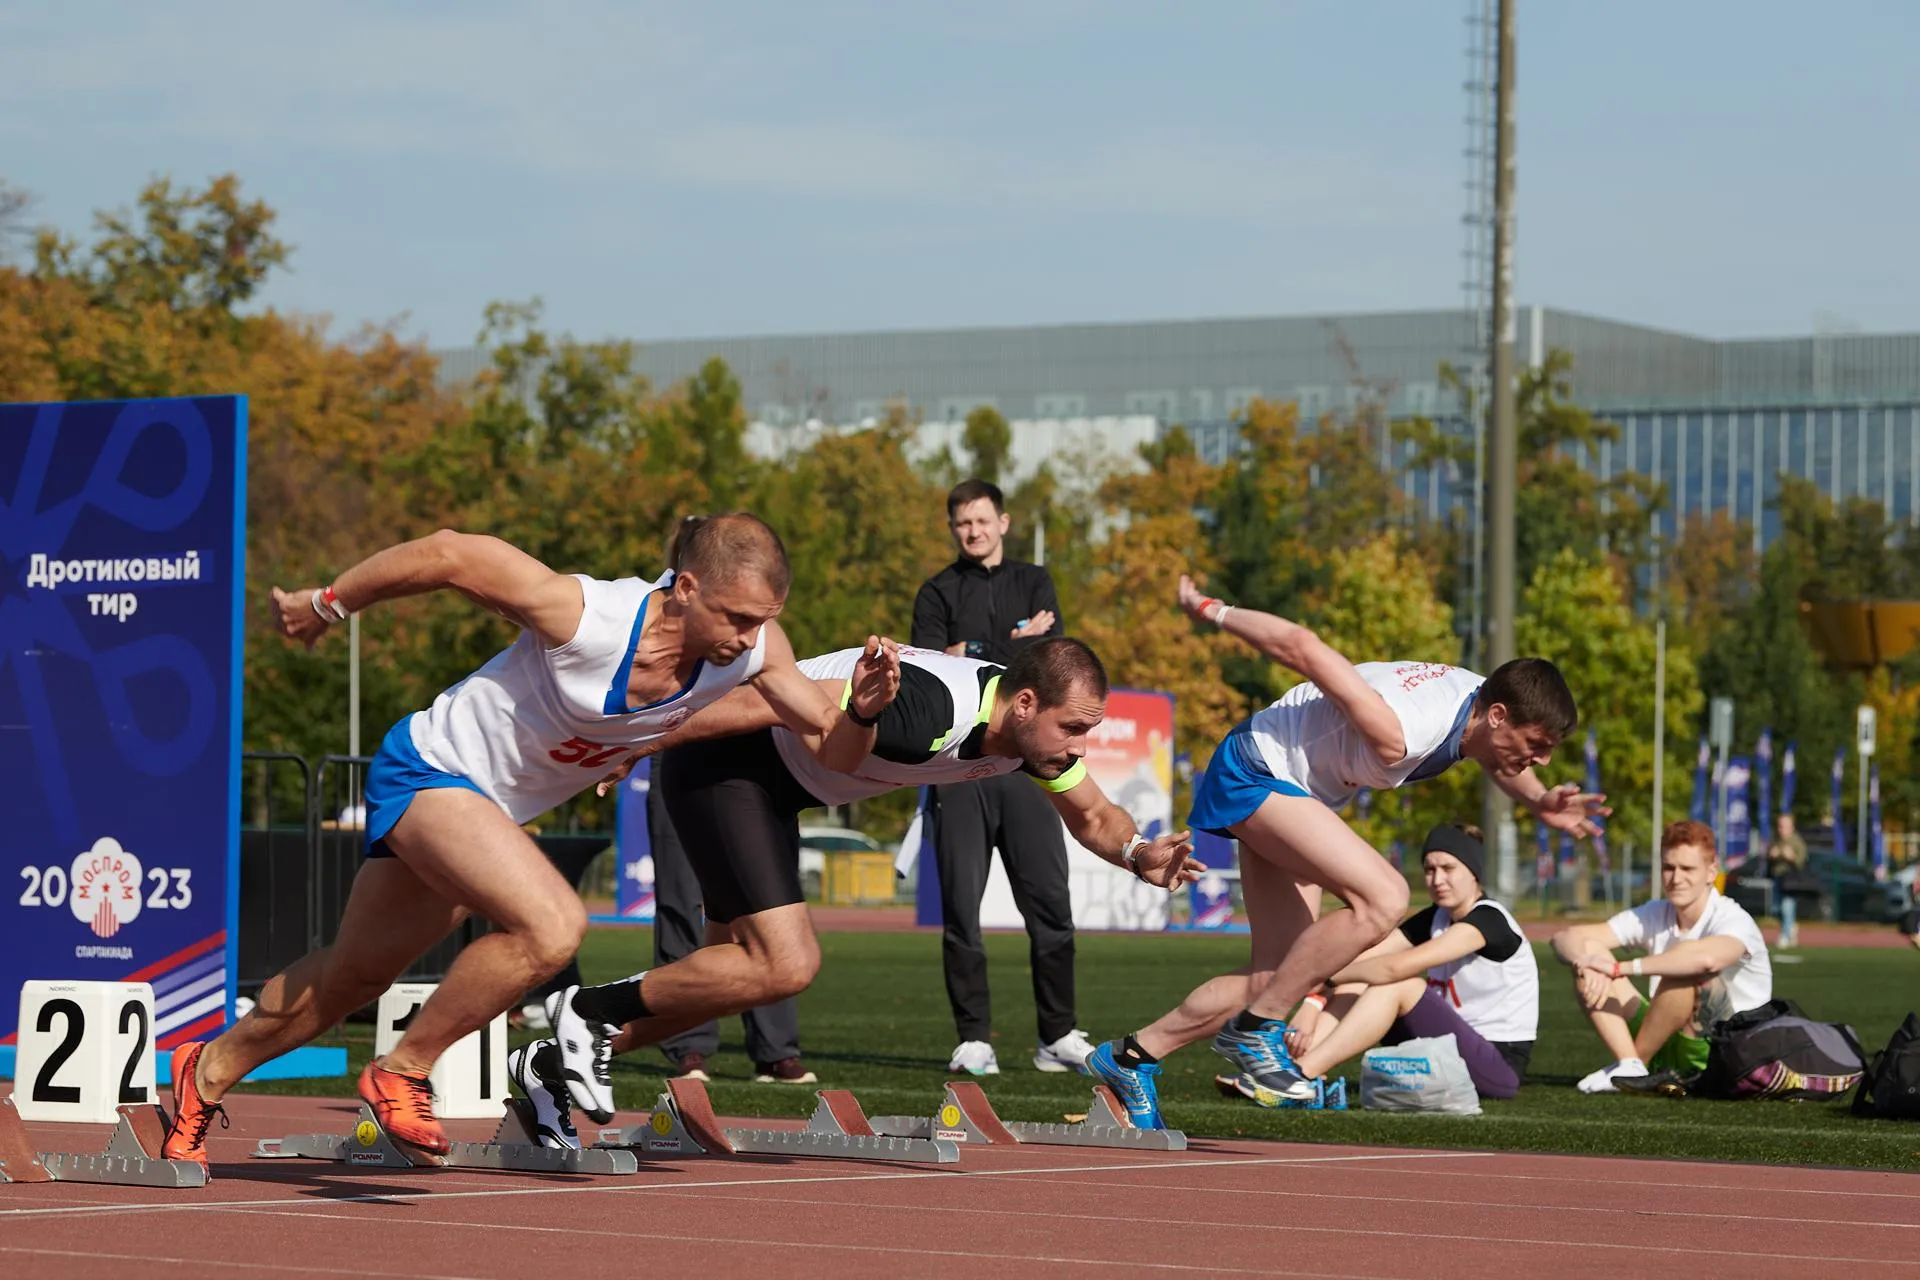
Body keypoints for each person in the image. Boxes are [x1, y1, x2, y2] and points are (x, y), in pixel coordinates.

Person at [161, 516, 900, 1167]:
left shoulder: (757, 651)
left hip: (487, 812)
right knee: (552, 926)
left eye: (763, 620)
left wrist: (862, 713)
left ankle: (206, 1071)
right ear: (685, 587)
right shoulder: (588, 617)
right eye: (735, 616)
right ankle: (403, 1071)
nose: (747, 636)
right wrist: (326, 604)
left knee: (354, 977)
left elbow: (834, 749)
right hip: (429, 769)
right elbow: (450, 553)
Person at [516, 637, 1202, 1142]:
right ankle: (585, 1010)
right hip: (728, 761)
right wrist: (638, 741)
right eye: (1074, 728)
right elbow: (762, 696)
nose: (1080, 746)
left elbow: (1095, 816)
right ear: (1025, 703)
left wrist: (1138, 852)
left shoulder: (1027, 739)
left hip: (778, 789)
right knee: (785, 964)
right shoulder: (930, 707)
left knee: (727, 978)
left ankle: (548, 1064)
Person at [1087, 575, 1604, 1128]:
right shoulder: (1403, 729)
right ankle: (1256, 1031)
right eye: (1537, 746)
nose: (1541, 761)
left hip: (1286, 785)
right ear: (1498, 715)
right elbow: (1302, 647)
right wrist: (1211, 609)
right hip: (1256, 771)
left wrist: (1539, 800)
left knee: (1278, 972)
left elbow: (1499, 757)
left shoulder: (1482, 705)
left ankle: (1131, 1057)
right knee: (1384, 898)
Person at [911, 478, 1086, 1075]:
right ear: (952, 528)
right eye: (963, 523)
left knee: (1051, 904)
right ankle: (973, 1039)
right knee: (961, 909)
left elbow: (1050, 667)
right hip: (958, 767)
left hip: (1025, 767)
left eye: (983, 520)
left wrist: (976, 649)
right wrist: (1011, 645)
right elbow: (929, 671)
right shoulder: (935, 593)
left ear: (1004, 523)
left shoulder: (1035, 581)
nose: (974, 531)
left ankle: (1057, 1035)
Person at [1227, 823, 1538, 1106]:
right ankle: (1279, 1070)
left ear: (1474, 873)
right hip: (1446, 1051)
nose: (1437, 879)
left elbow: (1394, 968)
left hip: (1497, 1067)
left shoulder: (1490, 920)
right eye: (1429, 869)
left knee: (1399, 985)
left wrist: (1327, 981)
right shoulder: (1436, 917)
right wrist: (1313, 1001)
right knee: (1357, 979)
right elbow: (1359, 960)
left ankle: (1299, 1076)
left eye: (1448, 868)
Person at [1550, 819, 1774, 1095]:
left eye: (1687, 869)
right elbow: (1565, 937)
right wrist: (1584, 963)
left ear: (1711, 871)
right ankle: (1631, 1066)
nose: (1676, 878)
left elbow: (1706, 959)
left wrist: (1618, 968)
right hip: (1665, 1041)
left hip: (1722, 1056)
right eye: (1669, 868)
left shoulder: (1733, 919)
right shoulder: (1656, 912)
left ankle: (1637, 1064)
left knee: (1688, 973)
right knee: (1589, 953)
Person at [647, 773, 812, 1085]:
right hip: (677, 754)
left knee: (770, 905)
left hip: (760, 759)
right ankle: (688, 1043)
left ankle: (775, 1049)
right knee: (680, 900)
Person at [1763, 812, 1808, 948]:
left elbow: (1803, 860)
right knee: (1776, 908)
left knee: (1787, 907)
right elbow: (1768, 858)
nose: (1782, 829)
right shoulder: (1776, 840)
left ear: (1792, 827)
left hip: (1791, 880)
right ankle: (1791, 926)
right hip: (1778, 878)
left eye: (1785, 826)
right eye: (1780, 826)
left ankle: (1785, 936)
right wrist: (1772, 855)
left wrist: (1792, 857)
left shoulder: (1796, 841)